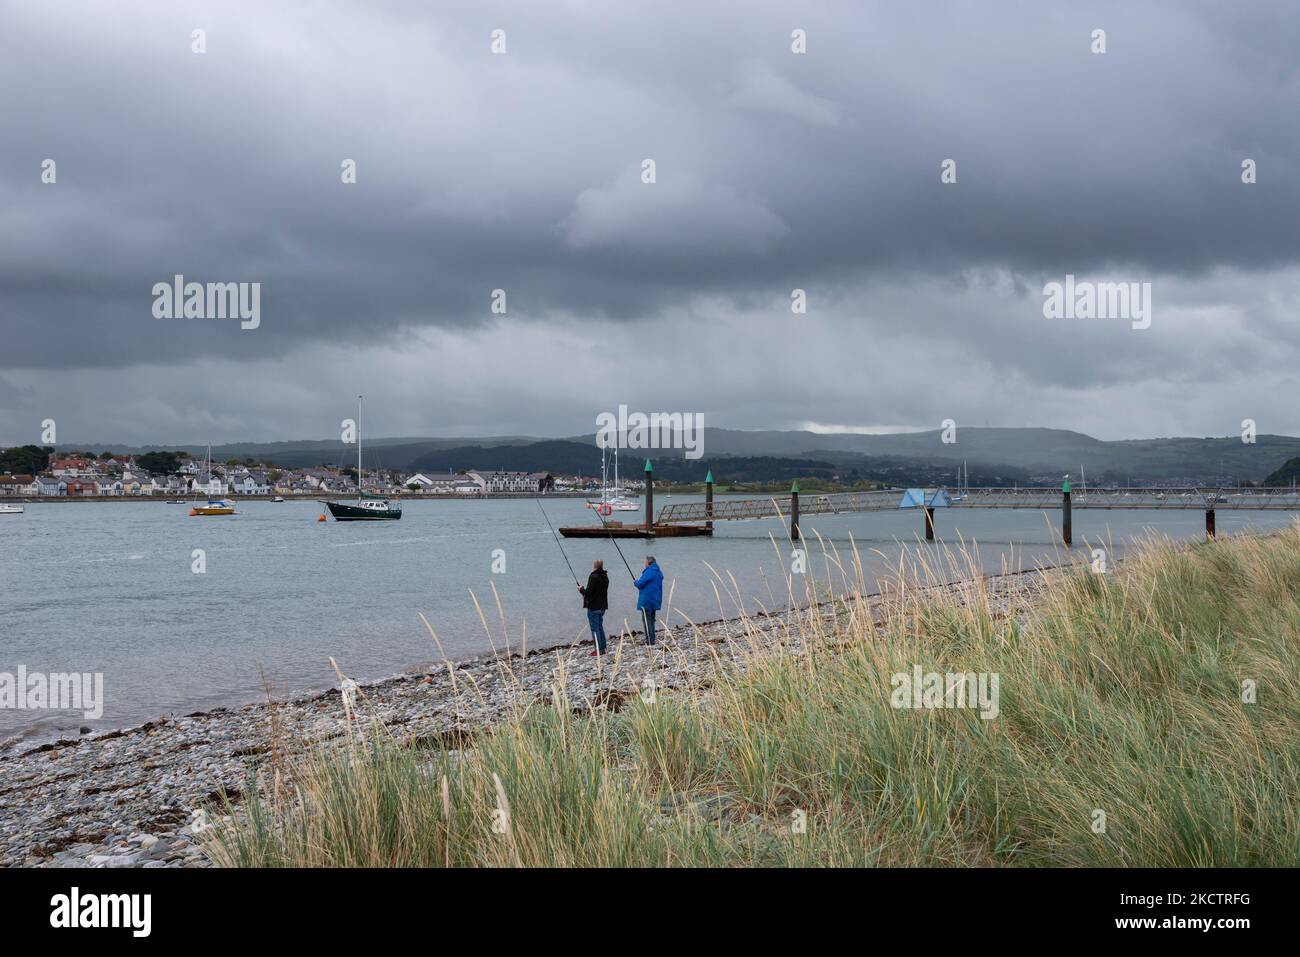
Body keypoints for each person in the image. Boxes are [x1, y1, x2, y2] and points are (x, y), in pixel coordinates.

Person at [577, 559, 610, 656]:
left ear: (594, 566)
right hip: (602, 606)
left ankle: (598, 650)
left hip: (593, 607)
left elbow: (588, 592)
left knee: (595, 629)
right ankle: (603, 648)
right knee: (600, 627)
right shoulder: (605, 577)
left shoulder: (593, 576)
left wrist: (581, 589)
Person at [633, 555, 663, 645]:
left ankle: (649, 641)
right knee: (652, 620)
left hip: (647, 601)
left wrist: (635, 582)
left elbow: (640, 584)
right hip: (655, 600)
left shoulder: (649, 572)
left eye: (645, 562)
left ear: (649, 563)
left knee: (647, 621)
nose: (644, 564)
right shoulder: (659, 572)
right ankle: (652, 639)